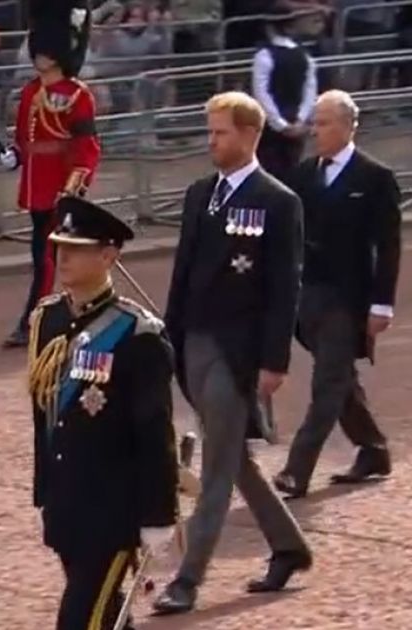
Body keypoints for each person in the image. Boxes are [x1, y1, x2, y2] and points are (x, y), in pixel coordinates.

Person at [153, 91, 312, 616]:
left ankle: (187, 579)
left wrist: (274, 360)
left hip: (237, 351)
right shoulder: (201, 194)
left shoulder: (278, 201)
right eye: (211, 131)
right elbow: (183, 272)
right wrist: (169, 336)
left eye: (221, 132)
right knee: (235, 458)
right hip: (193, 344)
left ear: (250, 135)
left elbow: (284, 287)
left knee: (218, 465)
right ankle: (288, 547)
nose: (212, 141)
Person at [27, 195, 179, 630]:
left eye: (76, 249)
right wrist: (46, 490)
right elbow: (45, 416)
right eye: (60, 247)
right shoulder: (48, 320)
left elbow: (154, 432)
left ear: (108, 256)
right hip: (66, 502)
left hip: (114, 509)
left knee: (80, 619)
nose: (63, 257)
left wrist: (158, 515)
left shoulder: (137, 334)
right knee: (107, 615)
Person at [271, 90, 400, 498]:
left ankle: (297, 470)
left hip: (348, 299)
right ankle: (373, 450)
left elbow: (388, 246)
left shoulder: (375, 177)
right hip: (306, 298)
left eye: (324, 123)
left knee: (327, 383)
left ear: (349, 126)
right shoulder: (302, 175)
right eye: (315, 122)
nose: (316, 131)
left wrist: (382, 304)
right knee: (340, 376)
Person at [0, 1, 101, 348]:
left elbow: (87, 150)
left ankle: (33, 321)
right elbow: (25, 141)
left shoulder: (77, 96)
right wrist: (15, 155)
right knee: (44, 258)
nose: (39, 56)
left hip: (58, 189)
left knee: (46, 260)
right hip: (35, 189)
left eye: (46, 50)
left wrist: (72, 189)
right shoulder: (31, 91)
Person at [251, 7, 317, 186]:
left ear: (269, 27)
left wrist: (280, 124)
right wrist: (300, 120)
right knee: (291, 169)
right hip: (296, 121)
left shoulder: (264, 55)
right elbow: (310, 91)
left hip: (269, 127)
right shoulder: (304, 56)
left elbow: (261, 94)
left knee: (267, 174)